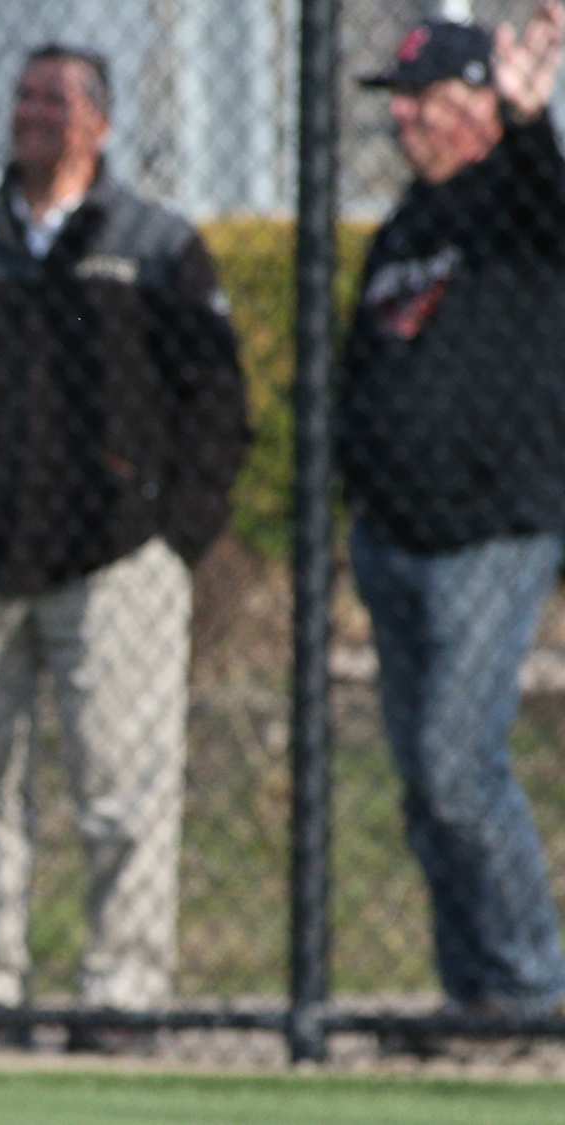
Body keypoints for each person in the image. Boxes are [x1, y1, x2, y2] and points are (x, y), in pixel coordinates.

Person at [0, 44, 248, 1045]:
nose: (31, 115)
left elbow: (215, 401)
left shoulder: (154, 243)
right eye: (22, 97)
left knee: (122, 790)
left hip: (116, 561)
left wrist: (174, 532)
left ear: (100, 123)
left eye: (54, 99)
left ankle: (121, 998)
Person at [339, 4, 565, 1021]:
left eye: (427, 100)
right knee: (424, 790)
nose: (405, 122)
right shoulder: (404, 225)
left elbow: (552, 205)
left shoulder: (513, 203)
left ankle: (528, 985)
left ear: (480, 102)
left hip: (490, 531)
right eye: (399, 103)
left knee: (454, 762)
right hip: (392, 539)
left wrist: (527, 123)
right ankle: (475, 994)